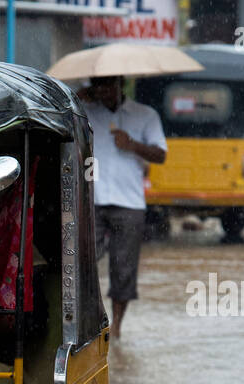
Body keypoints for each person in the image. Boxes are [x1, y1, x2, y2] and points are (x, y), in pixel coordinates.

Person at [80, 75, 167, 339]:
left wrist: (132, 145)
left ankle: (116, 327)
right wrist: (76, 96)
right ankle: (90, 320)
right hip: (91, 199)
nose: (104, 91)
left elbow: (161, 154)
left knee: (124, 268)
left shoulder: (145, 115)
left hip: (129, 202)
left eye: (109, 85)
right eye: (99, 86)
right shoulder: (84, 113)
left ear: (121, 85)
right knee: (83, 262)